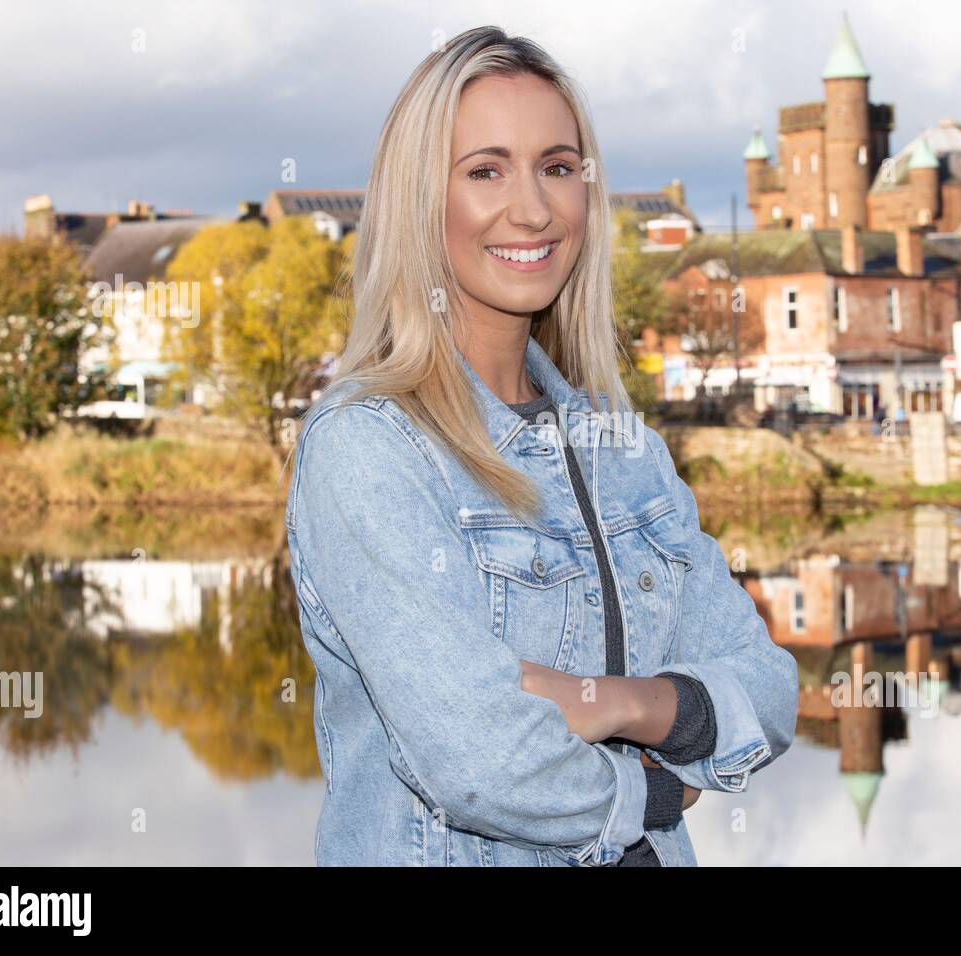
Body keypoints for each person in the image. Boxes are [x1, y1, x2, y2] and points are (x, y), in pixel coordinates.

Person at [284, 25, 799, 867]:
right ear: (421, 200)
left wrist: (619, 704)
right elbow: (481, 763)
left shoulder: (620, 447)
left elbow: (771, 690)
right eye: (485, 170)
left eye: (558, 167)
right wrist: (661, 789)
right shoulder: (370, 448)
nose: (533, 208)